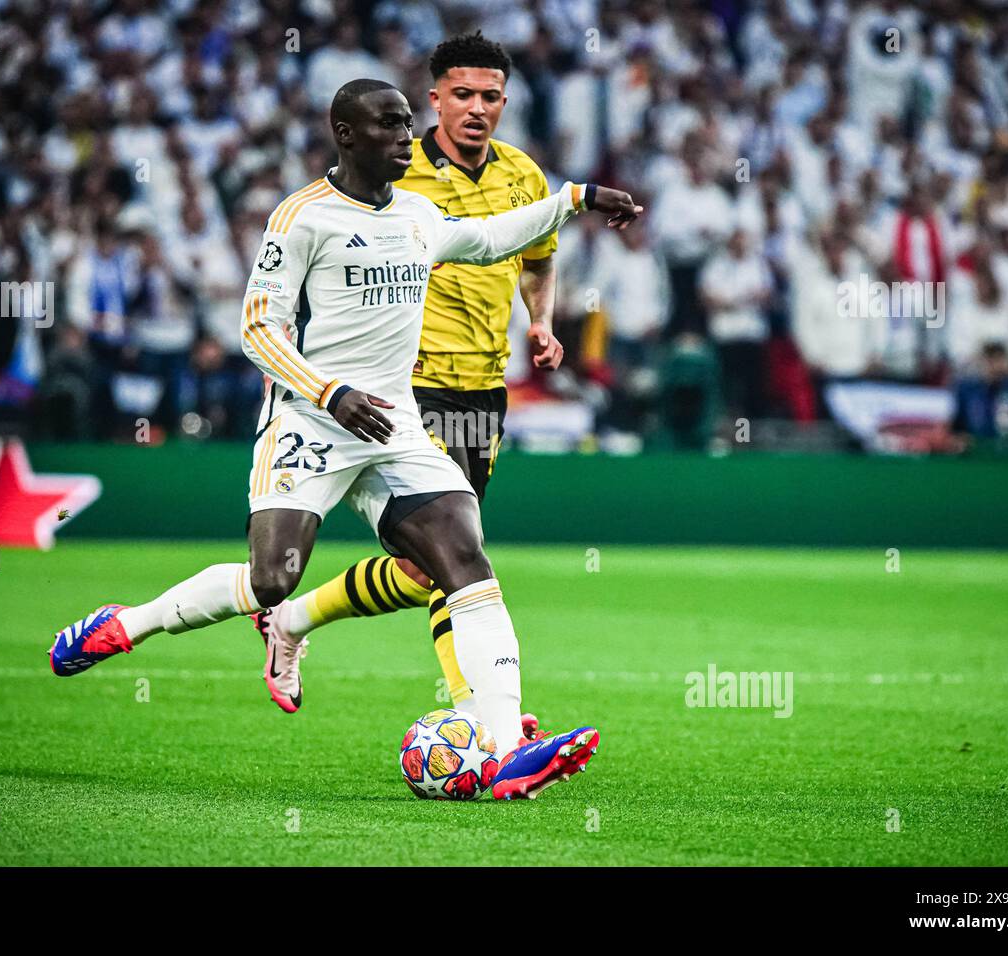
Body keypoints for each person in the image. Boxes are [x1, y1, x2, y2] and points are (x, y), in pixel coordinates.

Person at [48, 79, 642, 800]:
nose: (406, 137)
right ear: (345, 134)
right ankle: (131, 623)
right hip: (309, 421)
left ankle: (506, 744)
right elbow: (256, 329)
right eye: (390, 125)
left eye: (407, 124)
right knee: (271, 579)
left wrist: (576, 199)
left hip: (392, 427)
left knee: (464, 558)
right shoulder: (302, 218)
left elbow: (491, 239)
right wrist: (330, 391)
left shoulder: (419, 214)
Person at [255, 32, 566, 719]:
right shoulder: (396, 172)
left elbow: (532, 254)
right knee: (455, 561)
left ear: (506, 102)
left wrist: (540, 322)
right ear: (435, 101)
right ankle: (479, 715)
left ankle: (295, 620)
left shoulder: (524, 174)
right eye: (462, 95)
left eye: (490, 96)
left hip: (483, 384)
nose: (476, 108)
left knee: (426, 568)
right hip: (402, 388)